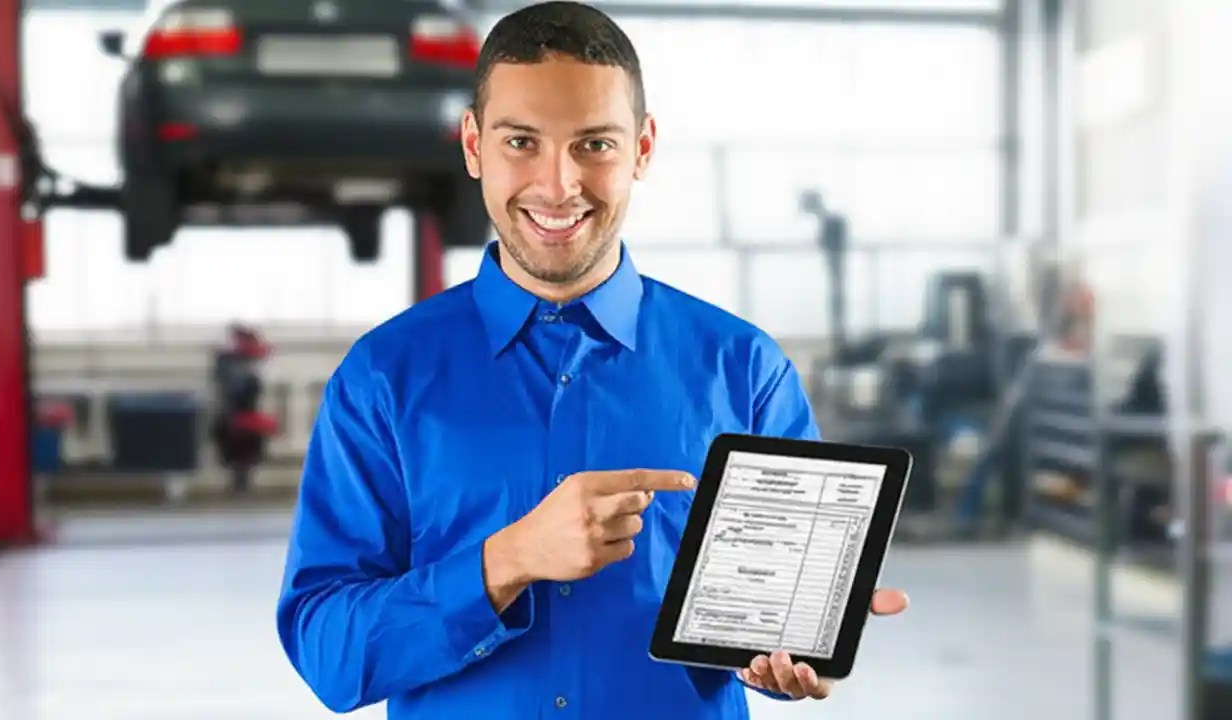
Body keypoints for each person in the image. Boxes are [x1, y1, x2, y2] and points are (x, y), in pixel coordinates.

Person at [275, 2, 909, 718]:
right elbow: (329, 653)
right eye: (521, 142)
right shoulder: (382, 378)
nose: (558, 185)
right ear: (474, 146)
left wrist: (798, 644)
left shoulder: (743, 369)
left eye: (595, 145)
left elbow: (776, 624)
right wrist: (508, 561)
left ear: (642, 149)